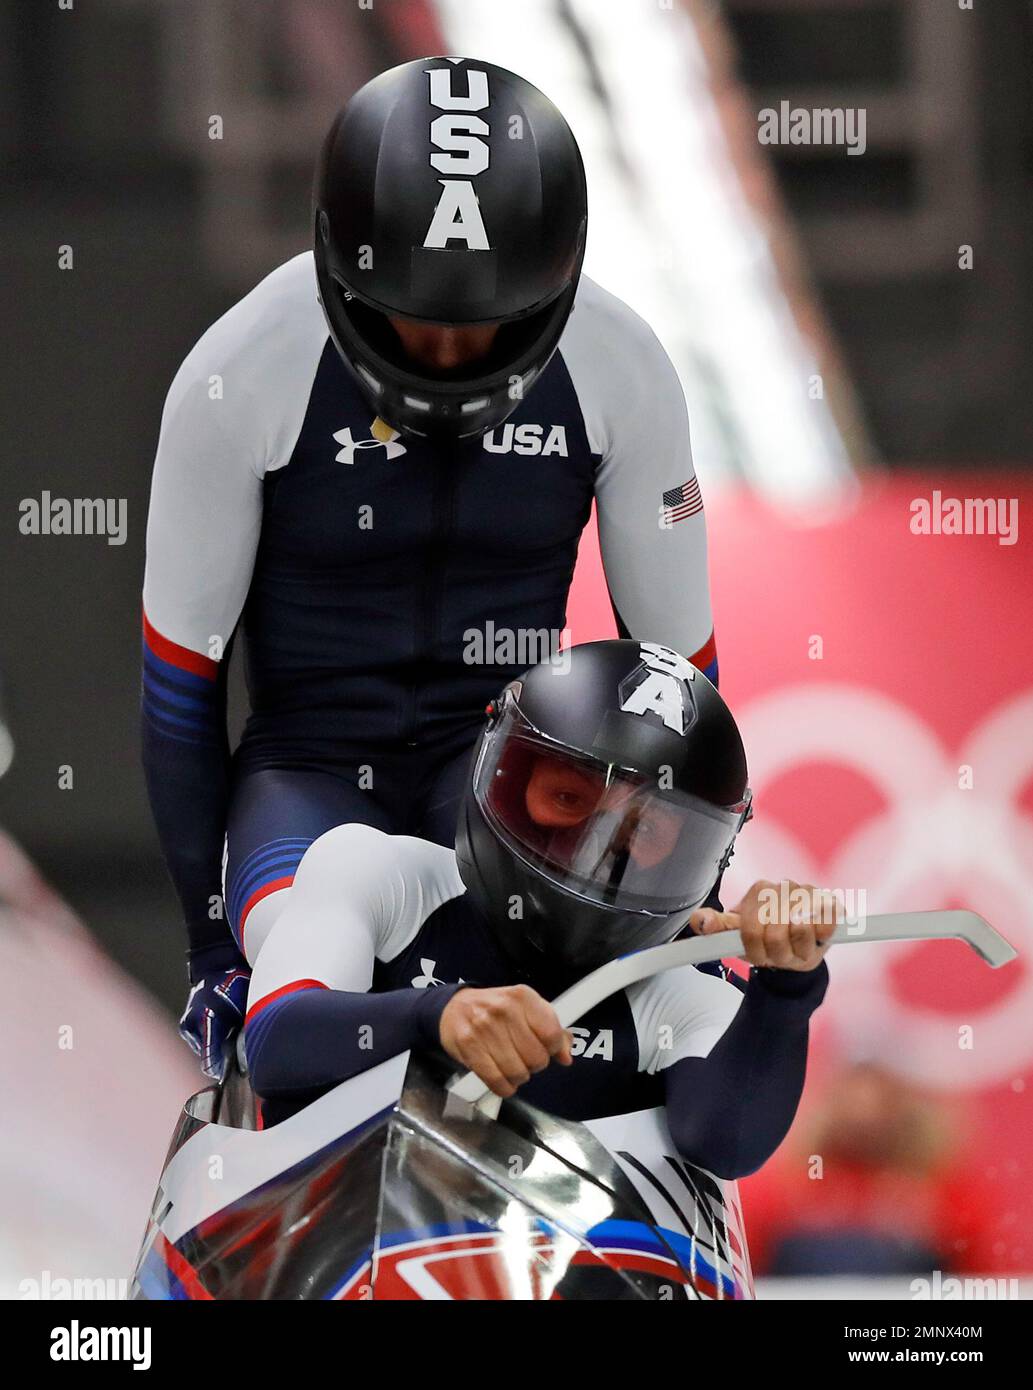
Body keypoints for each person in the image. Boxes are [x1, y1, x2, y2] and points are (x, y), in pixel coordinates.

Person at [143, 57, 720, 1081]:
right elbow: (180, 695)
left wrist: (695, 898)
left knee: (590, 1025)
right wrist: (211, 948)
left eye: (484, 322)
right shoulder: (235, 377)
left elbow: (681, 689)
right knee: (307, 985)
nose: (450, 352)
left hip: (513, 784)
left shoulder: (624, 370)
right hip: (309, 775)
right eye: (417, 316)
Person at [243, 640, 835, 1177]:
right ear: (507, 774)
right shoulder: (380, 875)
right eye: (568, 799)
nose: (596, 859)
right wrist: (435, 1015)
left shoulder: (678, 990)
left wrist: (784, 992)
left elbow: (724, 1144)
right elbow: (272, 1044)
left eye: (647, 832)